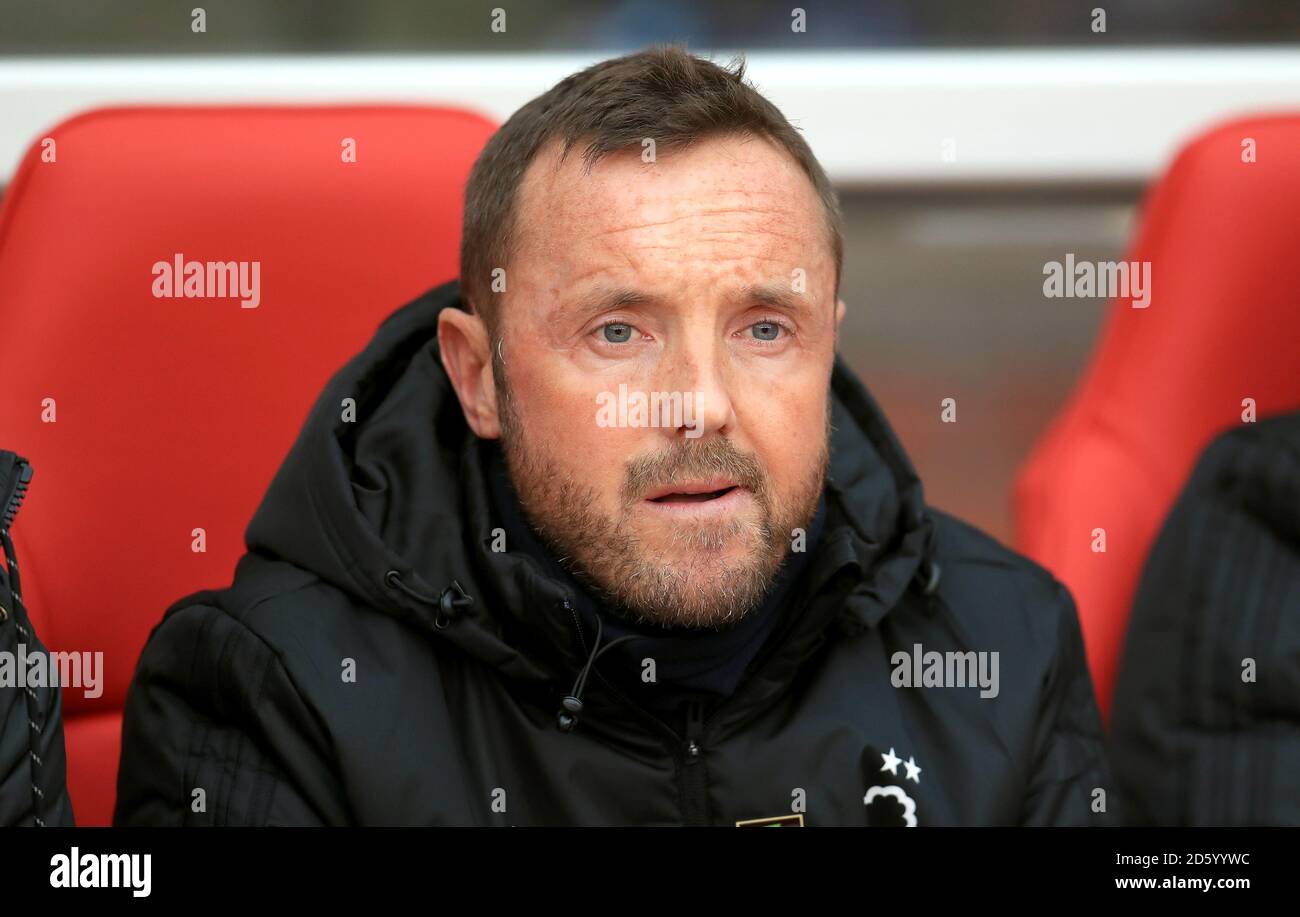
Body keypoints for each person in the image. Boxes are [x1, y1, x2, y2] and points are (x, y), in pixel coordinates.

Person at [115, 46, 1109, 826]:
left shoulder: (1005, 643)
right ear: (479, 377)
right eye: (617, 330)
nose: (699, 403)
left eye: (763, 327)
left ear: (826, 346)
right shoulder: (276, 687)